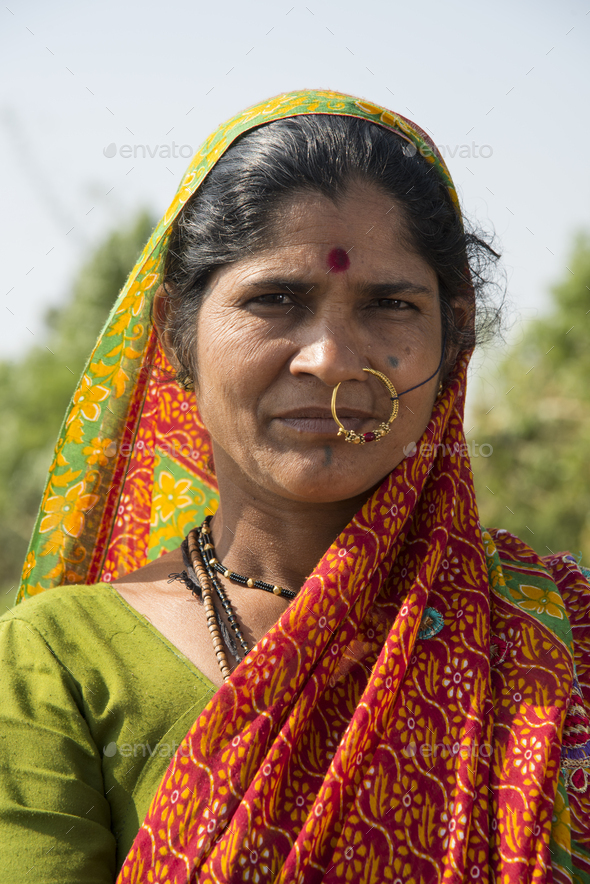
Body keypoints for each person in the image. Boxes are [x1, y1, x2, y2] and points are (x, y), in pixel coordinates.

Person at [1, 90, 589, 884]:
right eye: (275, 299)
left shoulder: (556, 639)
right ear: (177, 335)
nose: (330, 359)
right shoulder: (57, 662)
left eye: (389, 304)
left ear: (455, 338)